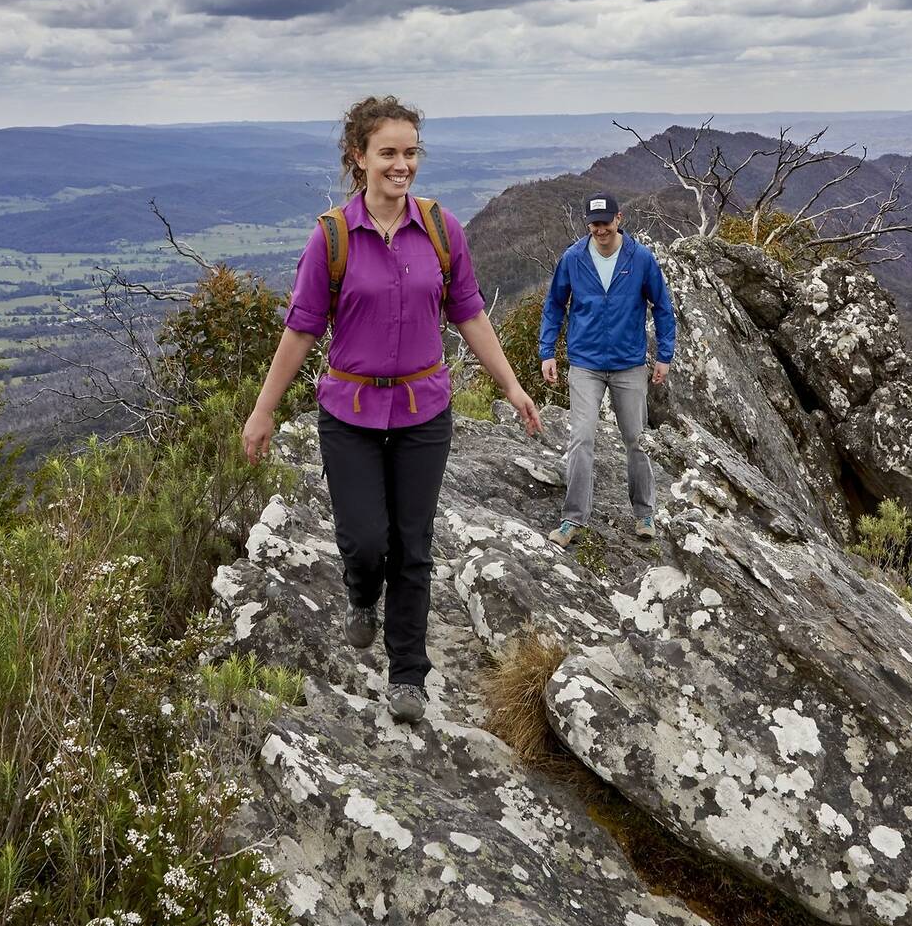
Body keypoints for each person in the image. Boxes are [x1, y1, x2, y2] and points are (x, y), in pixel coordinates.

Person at [241, 96, 541, 723]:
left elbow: (469, 314)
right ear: (359, 157)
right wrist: (263, 410)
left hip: (423, 411)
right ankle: (360, 594)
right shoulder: (330, 238)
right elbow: (299, 331)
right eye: (388, 153)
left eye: (410, 153)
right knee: (364, 540)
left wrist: (512, 387)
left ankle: (407, 672)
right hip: (348, 411)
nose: (401, 165)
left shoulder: (440, 229)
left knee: (413, 544)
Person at [538, 191, 676, 547]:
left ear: (620, 219)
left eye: (606, 222)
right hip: (585, 363)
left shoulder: (640, 258)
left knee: (636, 440)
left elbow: (662, 307)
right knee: (581, 438)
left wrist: (664, 355)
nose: (600, 229)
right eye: (594, 223)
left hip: (629, 364)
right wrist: (546, 351)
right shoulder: (573, 258)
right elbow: (554, 305)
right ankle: (572, 520)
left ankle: (645, 514)